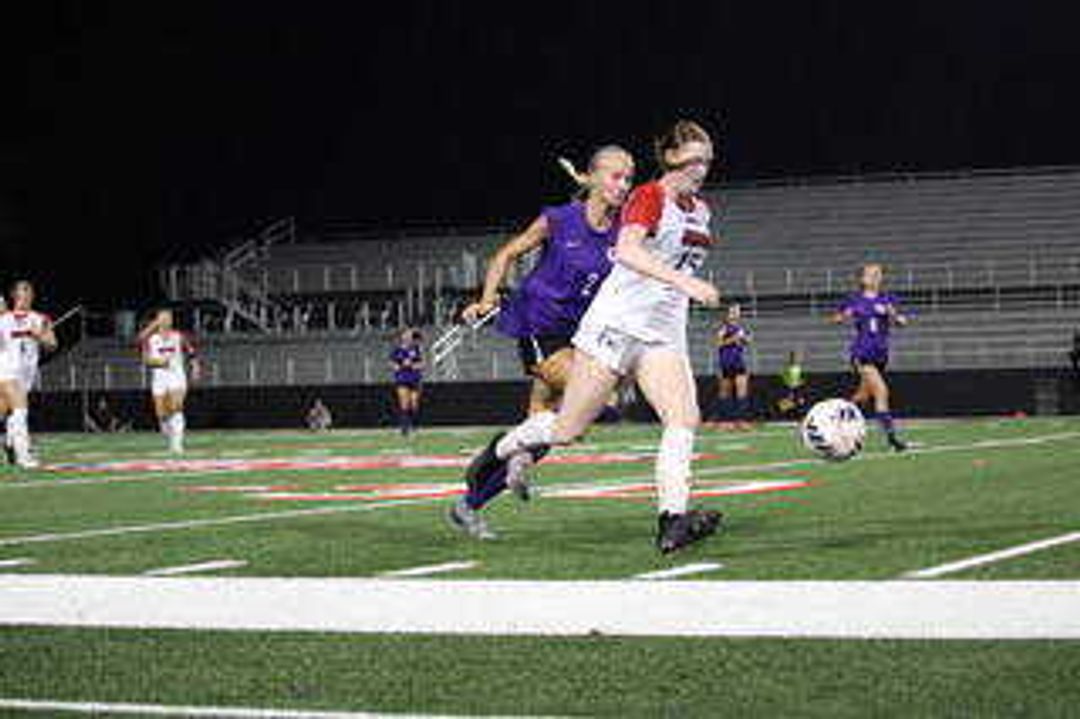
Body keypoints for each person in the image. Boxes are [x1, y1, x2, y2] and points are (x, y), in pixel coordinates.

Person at [451, 120, 723, 553]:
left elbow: (641, 252)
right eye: (695, 159)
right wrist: (486, 300)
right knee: (569, 426)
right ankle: (502, 452)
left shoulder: (693, 211)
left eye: (708, 160)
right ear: (671, 158)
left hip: (651, 333)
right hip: (557, 325)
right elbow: (628, 252)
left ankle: (672, 519)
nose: (702, 168)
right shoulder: (630, 202)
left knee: (680, 418)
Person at [458, 145, 635, 501]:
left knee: (552, 426)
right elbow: (505, 254)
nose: (624, 185)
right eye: (616, 176)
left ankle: (472, 501)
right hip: (539, 323)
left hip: (581, 333)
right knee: (597, 399)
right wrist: (487, 299)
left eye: (628, 178)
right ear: (592, 178)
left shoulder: (624, 231)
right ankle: (497, 453)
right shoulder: (559, 219)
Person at [832, 263, 908, 451]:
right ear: (862, 279)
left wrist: (895, 317)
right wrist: (845, 315)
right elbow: (836, 318)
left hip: (880, 355)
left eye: (878, 274)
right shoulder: (854, 299)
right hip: (862, 353)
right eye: (870, 273)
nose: (875, 276)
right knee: (881, 391)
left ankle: (836, 421)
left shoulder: (887, 298)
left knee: (862, 396)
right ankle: (892, 439)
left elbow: (901, 321)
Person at [0, 281, 57, 469]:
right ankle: (23, 455)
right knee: (21, 409)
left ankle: (10, 443)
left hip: (27, 375)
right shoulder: (4, 319)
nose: (25, 295)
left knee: (6, 411)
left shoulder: (41, 319)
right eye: (21, 291)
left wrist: (38, 335)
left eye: (28, 291)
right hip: (6, 371)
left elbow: (52, 344)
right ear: (13, 295)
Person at [138, 308, 197, 454]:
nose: (166, 321)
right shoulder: (151, 339)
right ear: (157, 321)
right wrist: (158, 363)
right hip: (160, 377)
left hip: (177, 375)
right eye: (163, 318)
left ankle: (177, 444)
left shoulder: (178, 336)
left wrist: (195, 366)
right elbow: (145, 359)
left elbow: (191, 351)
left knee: (176, 407)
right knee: (162, 414)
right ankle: (167, 431)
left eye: (168, 318)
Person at [712, 303, 752, 429]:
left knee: (742, 391)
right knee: (725, 392)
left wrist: (745, 340)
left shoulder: (741, 328)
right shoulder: (723, 328)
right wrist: (733, 339)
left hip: (738, 362)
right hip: (726, 362)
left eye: (737, 311)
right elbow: (718, 343)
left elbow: (744, 342)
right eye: (733, 311)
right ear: (728, 314)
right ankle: (725, 420)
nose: (736, 314)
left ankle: (741, 420)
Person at [390, 328, 424, 436]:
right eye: (406, 335)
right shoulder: (397, 350)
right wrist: (402, 365)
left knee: (414, 403)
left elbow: (421, 364)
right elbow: (393, 365)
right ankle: (404, 428)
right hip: (402, 379)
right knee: (404, 403)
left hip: (415, 379)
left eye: (410, 335)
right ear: (402, 337)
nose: (408, 338)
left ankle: (414, 425)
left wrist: (412, 365)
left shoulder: (416, 349)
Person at [776, 349, 807, 418]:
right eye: (793, 357)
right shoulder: (787, 367)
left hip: (798, 387)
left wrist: (800, 382)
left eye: (796, 358)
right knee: (789, 401)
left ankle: (800, 415)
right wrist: (788, 384)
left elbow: (801, 377)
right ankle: (787, 414)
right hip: (789, 387)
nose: (794, 359)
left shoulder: (798, 367)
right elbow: (784, 377)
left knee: (800, 401)